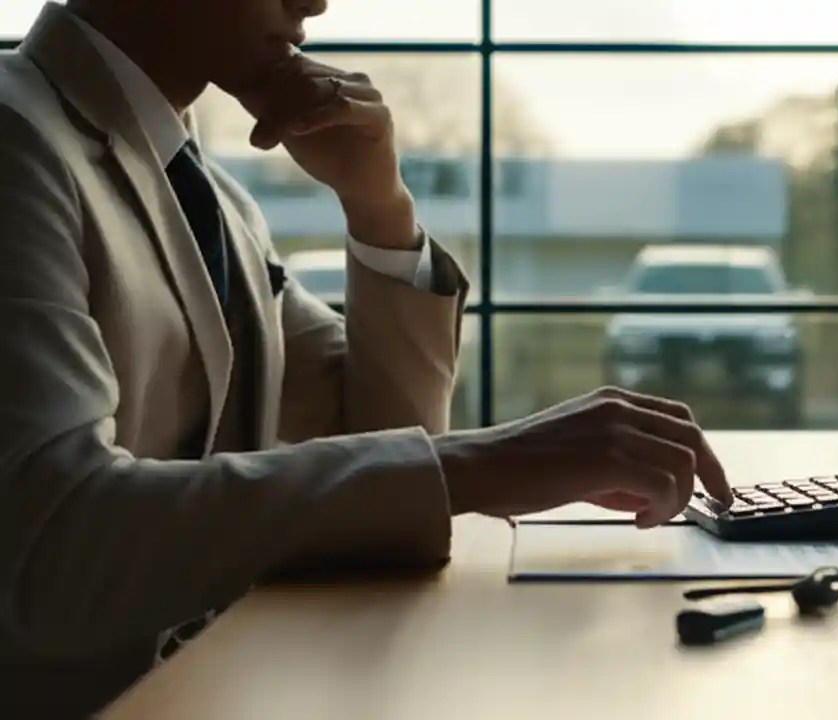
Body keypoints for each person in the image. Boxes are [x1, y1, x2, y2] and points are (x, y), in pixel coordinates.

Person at [0, 1, 734, 715]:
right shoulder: (16, 139)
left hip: (221, 684)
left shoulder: (209, 193)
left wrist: (378, 204)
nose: (314, 3)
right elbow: (49, 547)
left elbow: (381, 431)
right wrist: (482, 465)